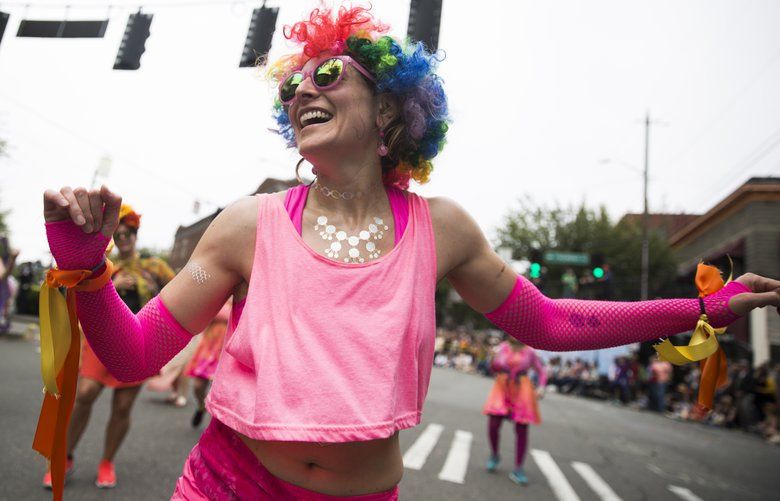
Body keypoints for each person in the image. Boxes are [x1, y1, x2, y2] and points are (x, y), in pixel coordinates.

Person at [40, 6, 780, 499]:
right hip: (228, 482)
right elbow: (135, 354)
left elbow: (551, 322)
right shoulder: (247, 225)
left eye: (327, 76)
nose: (302, 91)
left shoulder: (444, 229)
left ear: (392, 105)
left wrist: (702, 308)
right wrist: (86, 269)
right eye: (292, 86)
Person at [42, 204, 175, 489]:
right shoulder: (102, 261)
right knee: (85, 393)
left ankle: (107, 461)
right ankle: (62, 457)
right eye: (120, 232)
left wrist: (151, 287)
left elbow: (176, 296)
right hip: (100, 338)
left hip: (140, 337)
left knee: (123, 405)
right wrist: (112, 280)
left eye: (129, 233)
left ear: (136, 235)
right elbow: (80, 292)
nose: (124, 238)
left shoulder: (154, 266)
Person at [483, 338, 546, 485]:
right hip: (502, 388)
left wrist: (541, 387)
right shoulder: (502, 348)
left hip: (522, 390)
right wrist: (492, 358)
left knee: (521, 429)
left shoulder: (530, 351)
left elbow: (541, 372)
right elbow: (493, 369)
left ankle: (518, 468)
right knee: (493, 425)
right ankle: (494, 455)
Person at [185, 300, 232, 427]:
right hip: (209, 348)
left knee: (221, 391)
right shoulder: (220, 293)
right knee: (198, 386)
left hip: (228, 350)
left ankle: (216, 425)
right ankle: (201, 406)